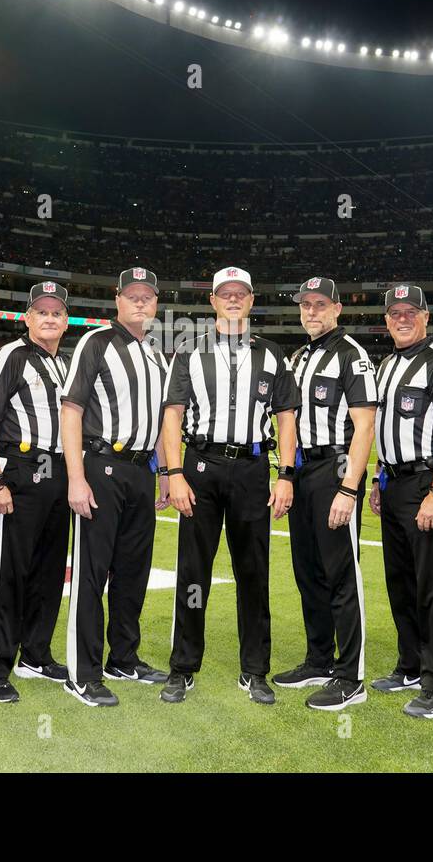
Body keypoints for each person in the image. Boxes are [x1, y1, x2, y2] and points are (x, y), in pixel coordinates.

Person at [162, 265, 299, 706]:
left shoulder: (272, 353)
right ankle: (183, 667)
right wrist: (174, 473)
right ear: (214, 301)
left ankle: (255, 670)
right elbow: (173, 415)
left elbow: (286, 418)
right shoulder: (188, 350)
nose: (234, 299)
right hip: (200, 465)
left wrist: (286, 474)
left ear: (252, 300)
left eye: (242, 293)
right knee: (193, 572)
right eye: (226, 293)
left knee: (253, 573)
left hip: (252, 469)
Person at [61, 267, 171, 707]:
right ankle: (81, 672)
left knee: (132, 572)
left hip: (141, 471)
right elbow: (71, 411)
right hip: (101, 465)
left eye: (148, 296)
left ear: (156, 303)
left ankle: (123, 657)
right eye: (133, 295)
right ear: (117, 299)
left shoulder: (158, 355)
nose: (141, 302)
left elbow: (164, 422)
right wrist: (75, 477)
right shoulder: (96, 342)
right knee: (92, 572)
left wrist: (163, 472)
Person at [367, 283, 433, 719]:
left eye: (411, 311)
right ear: (386, 320)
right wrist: (377, 477)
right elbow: (383, 430)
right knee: (401, 582)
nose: (402, 318)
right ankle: (410, 665)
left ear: (426, 317)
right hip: (393, 483)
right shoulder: (387, 364)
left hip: (426, 482)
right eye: (395, 313)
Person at [273, 277, 376, 712]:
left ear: (337, 308)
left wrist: (349, 487)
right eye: (305, 305)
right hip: (303, 472)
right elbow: (288, 422)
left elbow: (365, 425)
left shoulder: (351, 355)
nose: (311, 311)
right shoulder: (298, 357)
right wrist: (286, 473)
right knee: (308, 570)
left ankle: (350, 676)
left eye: (320, 305)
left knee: (340, 575)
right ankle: (319, 658)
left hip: (335, 468)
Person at [0, 281, 73, 702]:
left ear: (65, 321)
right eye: (42, 312)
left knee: (50, 570)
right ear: (27, 317)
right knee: (10, 573)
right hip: (23, 470)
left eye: (56, 313)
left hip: (60, 472)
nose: (49, 318)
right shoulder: (10, 357)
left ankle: (36, 653)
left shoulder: (66, 363)